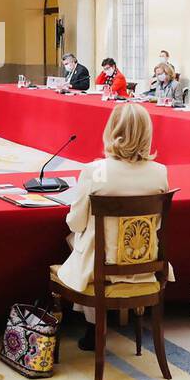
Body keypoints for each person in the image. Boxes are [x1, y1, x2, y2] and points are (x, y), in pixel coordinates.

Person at [54, 104, 169, 351]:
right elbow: (155, 224)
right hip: (143, 264)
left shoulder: (96, 171)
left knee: (78, 243)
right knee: (87, 246)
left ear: (111, 130)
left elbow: (75, 222)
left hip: (101, 268)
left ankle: (94, 325)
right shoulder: (160, 172)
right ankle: (101, 323)